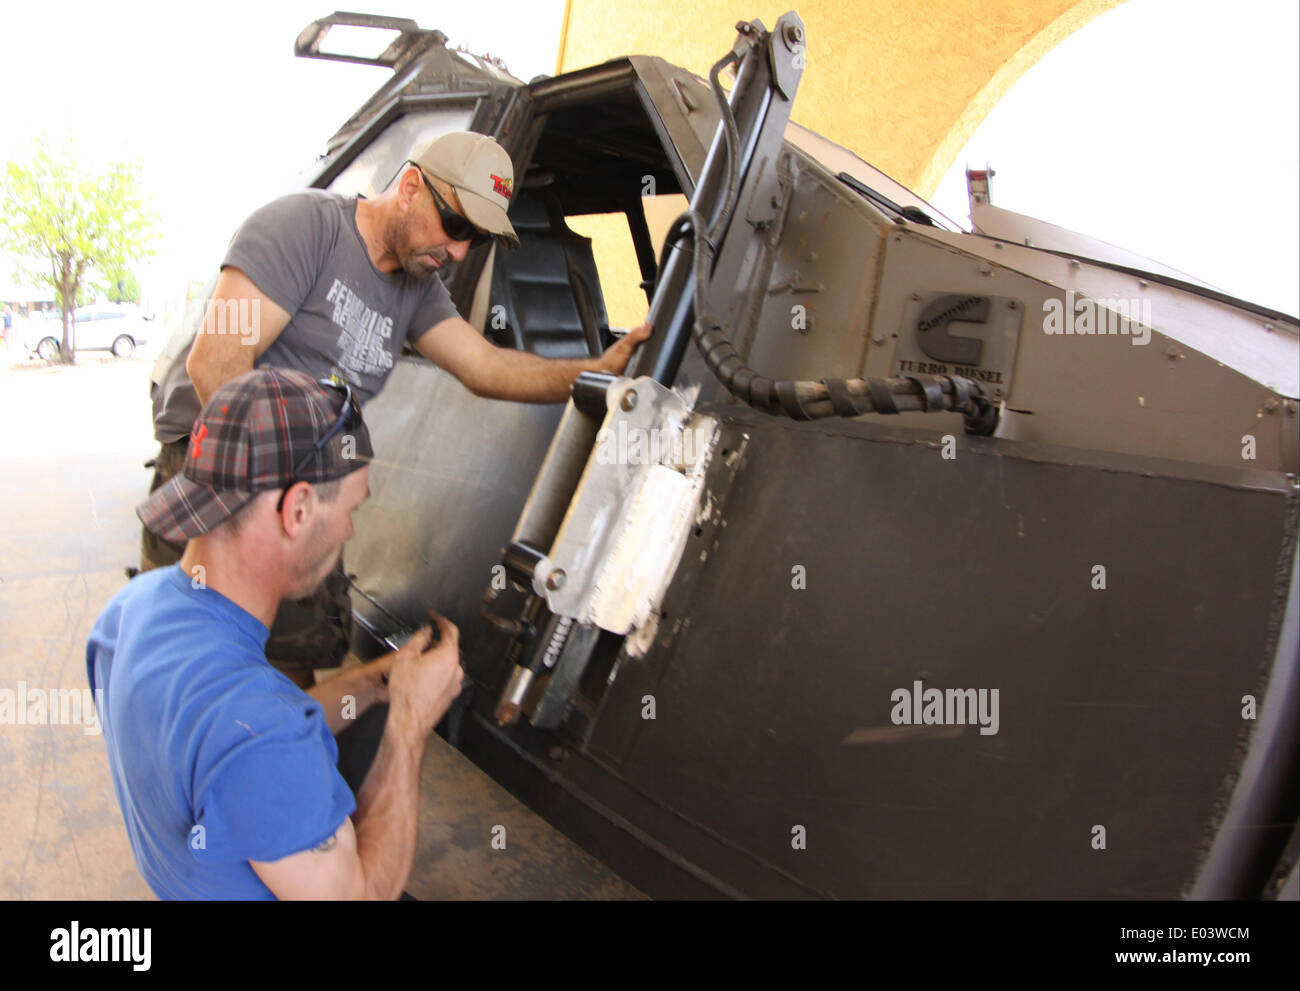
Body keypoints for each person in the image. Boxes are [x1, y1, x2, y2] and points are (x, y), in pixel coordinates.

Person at [142, 130, 652, 686]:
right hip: (223, 464)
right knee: (196, 665)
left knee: (288, 674)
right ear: (410, 186)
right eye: (456, 226)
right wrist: (289, 491)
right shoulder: (300, 228)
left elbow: (486, 367)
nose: (457, 251)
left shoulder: (418, 290)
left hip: (307, 487)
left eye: (474, 239)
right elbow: (216, 362)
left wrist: (596, 372)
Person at [89, 367, 465, 899]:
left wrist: (380, 683)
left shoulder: (130, 611)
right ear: (298, 509)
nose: (352, 529)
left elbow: (243, 737)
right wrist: (410, 721)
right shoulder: (263, 732)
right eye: (353, 507)